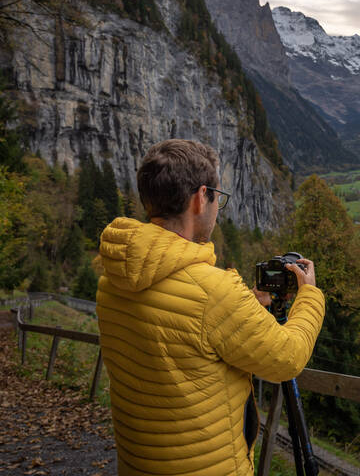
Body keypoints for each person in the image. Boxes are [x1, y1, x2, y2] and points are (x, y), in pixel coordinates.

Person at [96, 139, 325, 476]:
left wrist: (243, 310)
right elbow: (287, 359)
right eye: (218, 197)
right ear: (200, 198)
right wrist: (309, 294)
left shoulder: (111, 281)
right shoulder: (213, 292)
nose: (218, 207)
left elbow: (178, 345)